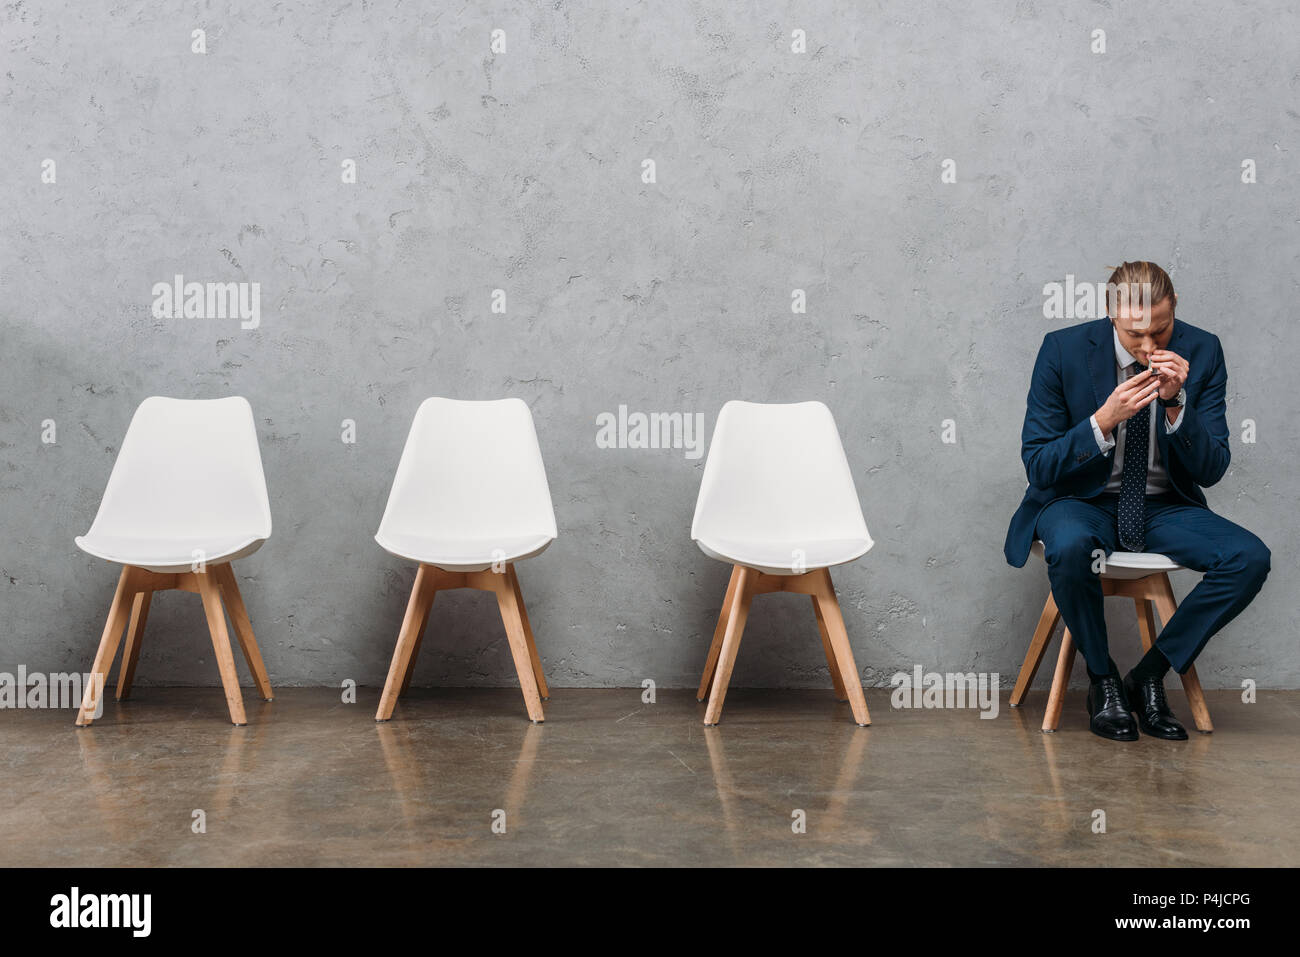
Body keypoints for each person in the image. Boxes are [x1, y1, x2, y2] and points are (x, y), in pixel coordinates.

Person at [1005, 261, 1269, 741]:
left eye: (1161, 330)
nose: (1150, 347)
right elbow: (1039, 465)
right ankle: (1103, 681)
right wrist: (1102, 420)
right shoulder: (1061, 351)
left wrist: (1176, 405)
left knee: (1249, 558)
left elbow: (1212, 469)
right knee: (1069, 547)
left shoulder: (1203, 350)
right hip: (1080, 501)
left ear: (1175, 312)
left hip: (1163, 506)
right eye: (1134, 335)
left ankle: (1148, 675)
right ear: (1111, 317)